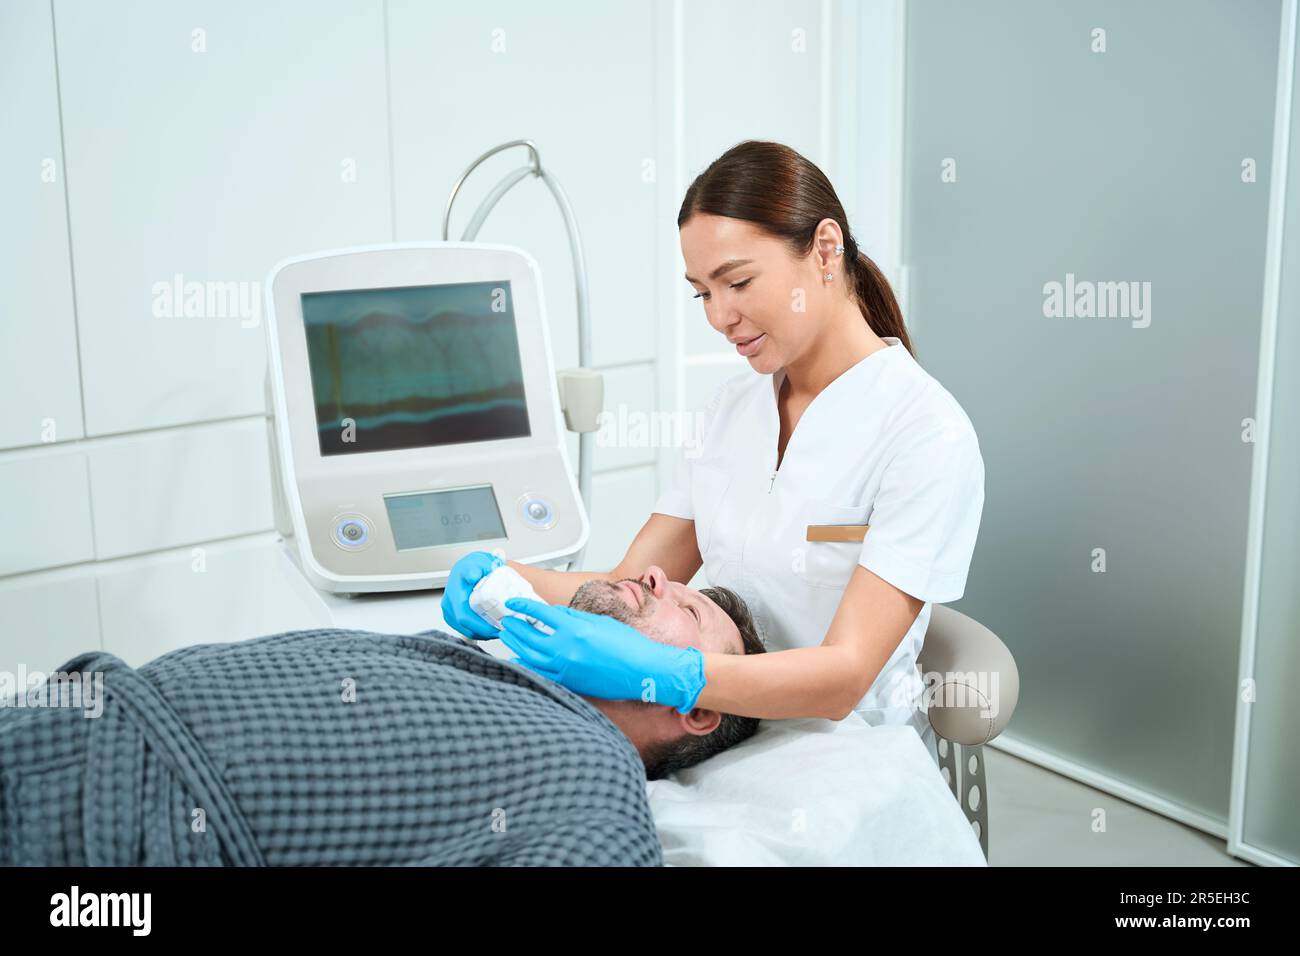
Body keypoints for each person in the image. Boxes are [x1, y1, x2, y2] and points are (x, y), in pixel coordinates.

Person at [443, 140, 986, 756]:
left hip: (842, 753)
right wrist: (505, 579)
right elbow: (630, 582)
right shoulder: (731, 409)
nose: (720, 316)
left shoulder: (925, 434)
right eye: (702, 292)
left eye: (739, 282)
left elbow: (845, 675)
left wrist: (685, 678)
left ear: (826, 250)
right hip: (720, 735)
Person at [0, 578, 763, 866]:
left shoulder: (599, 784)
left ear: (695, 705)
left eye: (685, 608)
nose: (660, 577)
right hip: (63, 727)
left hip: (95, 826)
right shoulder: (494, 671)